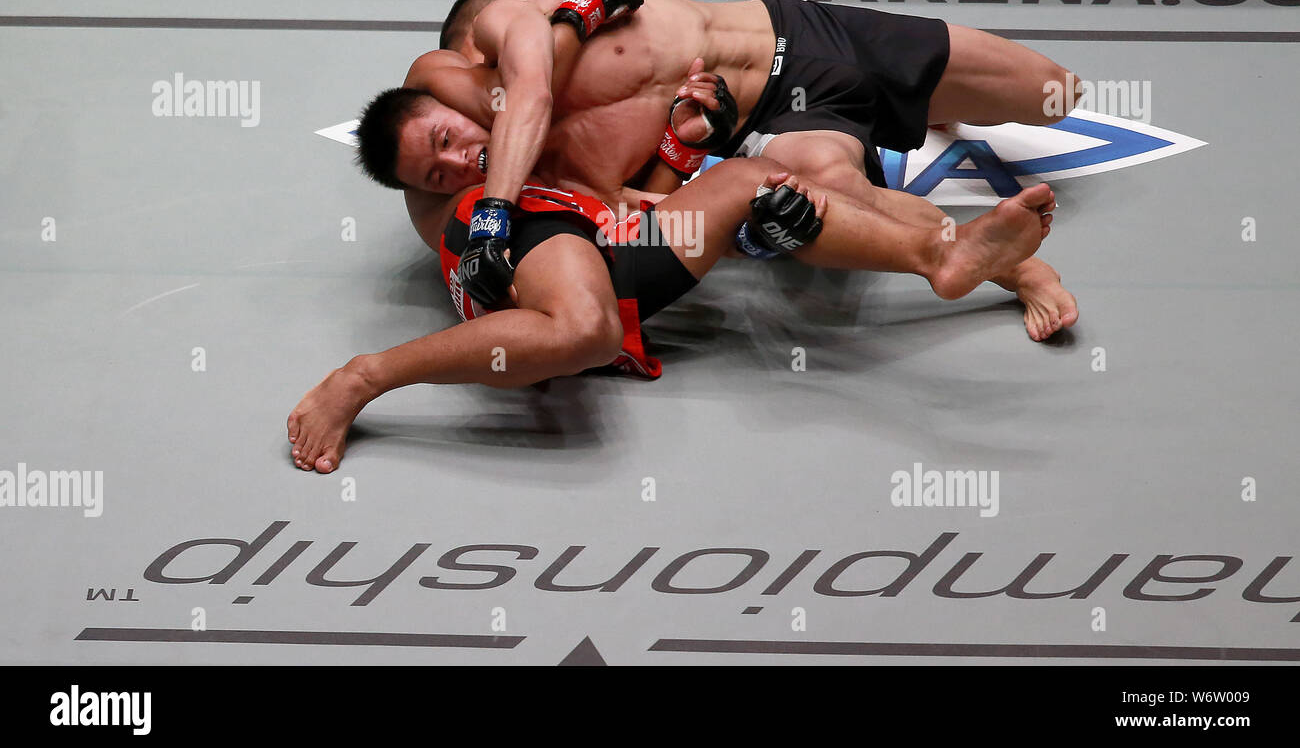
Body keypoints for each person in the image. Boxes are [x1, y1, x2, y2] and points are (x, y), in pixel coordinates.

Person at [359, 0, 1078, 339]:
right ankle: (1006, 267)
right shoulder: (559, 172)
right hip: (787, 114)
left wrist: (492, 214)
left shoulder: (520, 35)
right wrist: (682, 144)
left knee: (1057, 94)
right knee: (827, 185)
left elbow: (530, 91)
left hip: (806, 35)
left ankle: (932, 109)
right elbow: (661, 208)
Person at [287, 150, 1057, 472]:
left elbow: (624, 184)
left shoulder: (560, 118)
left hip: (598, 236)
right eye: (435, 154)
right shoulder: (470, 136)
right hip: (524, 233)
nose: (456, 154)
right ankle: (366, 377)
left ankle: (947, 258)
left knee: (762, 180)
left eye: (453, 141)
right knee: (583, 331)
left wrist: (682, 163)